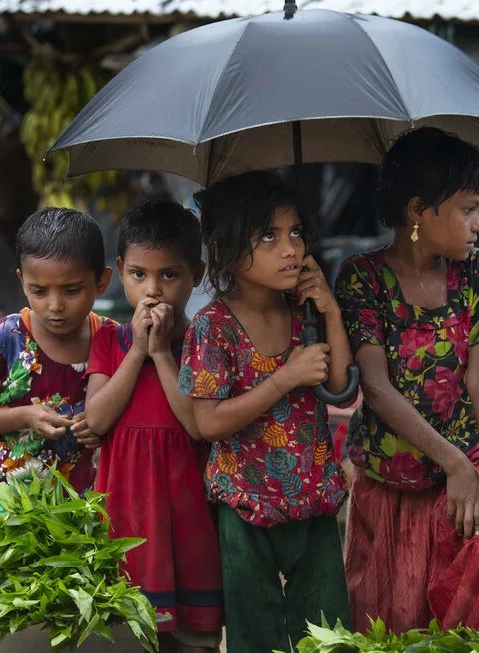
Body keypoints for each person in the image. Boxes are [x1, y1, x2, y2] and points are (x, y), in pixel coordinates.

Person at [335, 127, 479, 635]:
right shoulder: (362, 277)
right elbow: (376, 387)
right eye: (468, 210)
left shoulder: (478, 272)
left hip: (466, 484)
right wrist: (452, 460)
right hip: (390, 491)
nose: (478, 224)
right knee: (398, 630)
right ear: (419, 211)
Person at [180, 172, 352, 653]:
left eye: (296, 232)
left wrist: (332, 313)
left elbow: (341, 389)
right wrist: (285, 377)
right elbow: (208, 422)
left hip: (314, 502)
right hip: (244, 508)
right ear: (229, 250)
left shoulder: (306, 314)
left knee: (330, 635)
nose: (291, 249)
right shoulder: (212, 328)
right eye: (269, 237)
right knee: (255, 637)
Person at [86, 200, 223, 653]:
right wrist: (137, 351)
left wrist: (162, 353)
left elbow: (198, 426)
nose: (153, 290)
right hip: (125, 515)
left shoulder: (205, 339)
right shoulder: (110, 339)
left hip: (188, 517)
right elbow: (96, 418)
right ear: (121, 271)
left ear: (196, 275)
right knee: (130, 636)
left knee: (194, 638)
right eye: (139, 274)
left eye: (169, 274)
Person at [0, 207, 112, 518]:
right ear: (22, 280)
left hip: (84, 497)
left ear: (102, 281)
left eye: (72, 290)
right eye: (38, 291)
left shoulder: (111, 339)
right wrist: (25, 416)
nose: (55, 306)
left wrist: (101, 427)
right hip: (9, 495)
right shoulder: (5, 337)